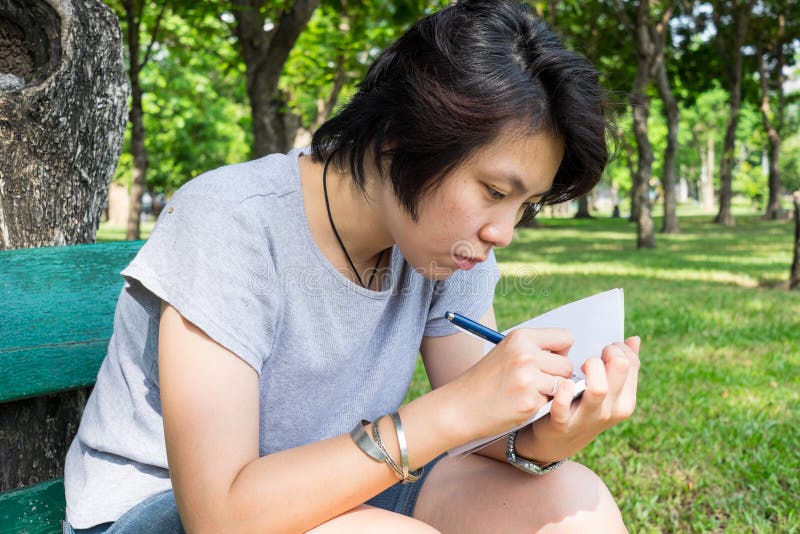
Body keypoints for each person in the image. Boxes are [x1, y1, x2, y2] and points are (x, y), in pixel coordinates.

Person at [63, 1, 641, 532]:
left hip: (343, 488)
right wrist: (455, 408)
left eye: (524, 206)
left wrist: (546, 434)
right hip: (164, 510)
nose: (503, 233)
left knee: (572, 507)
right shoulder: (232, 223)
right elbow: (220, 515)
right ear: (400, 137)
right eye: (493, 190)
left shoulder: (444, 249)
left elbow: (484, 430)